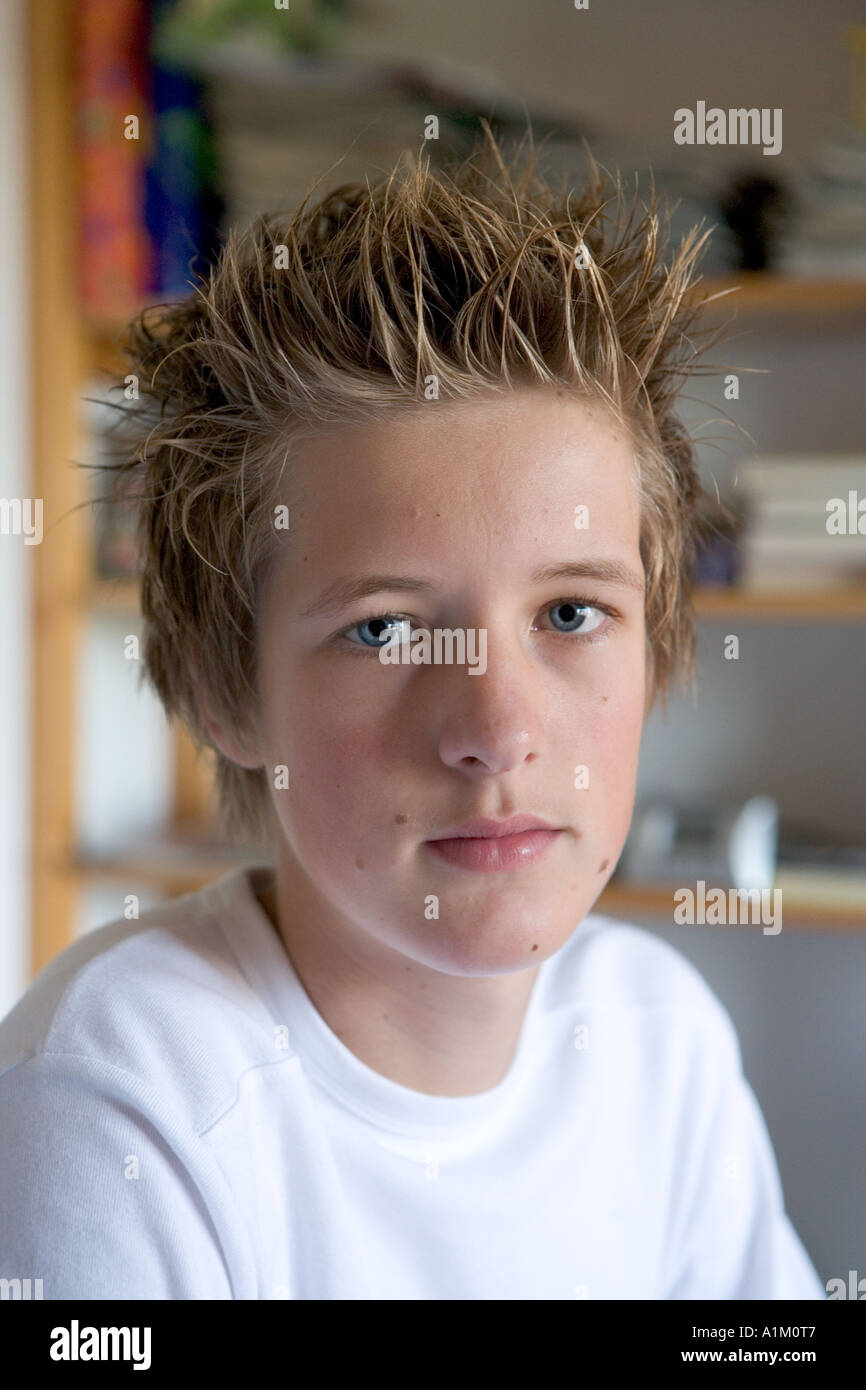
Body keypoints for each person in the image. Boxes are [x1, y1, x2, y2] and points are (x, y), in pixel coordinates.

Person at [0, 128, 825, 1299]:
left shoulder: (660, 1044)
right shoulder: (115, 1105)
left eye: (573, 613)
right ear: (223, 691)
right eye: (382, 630)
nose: (497, 727)